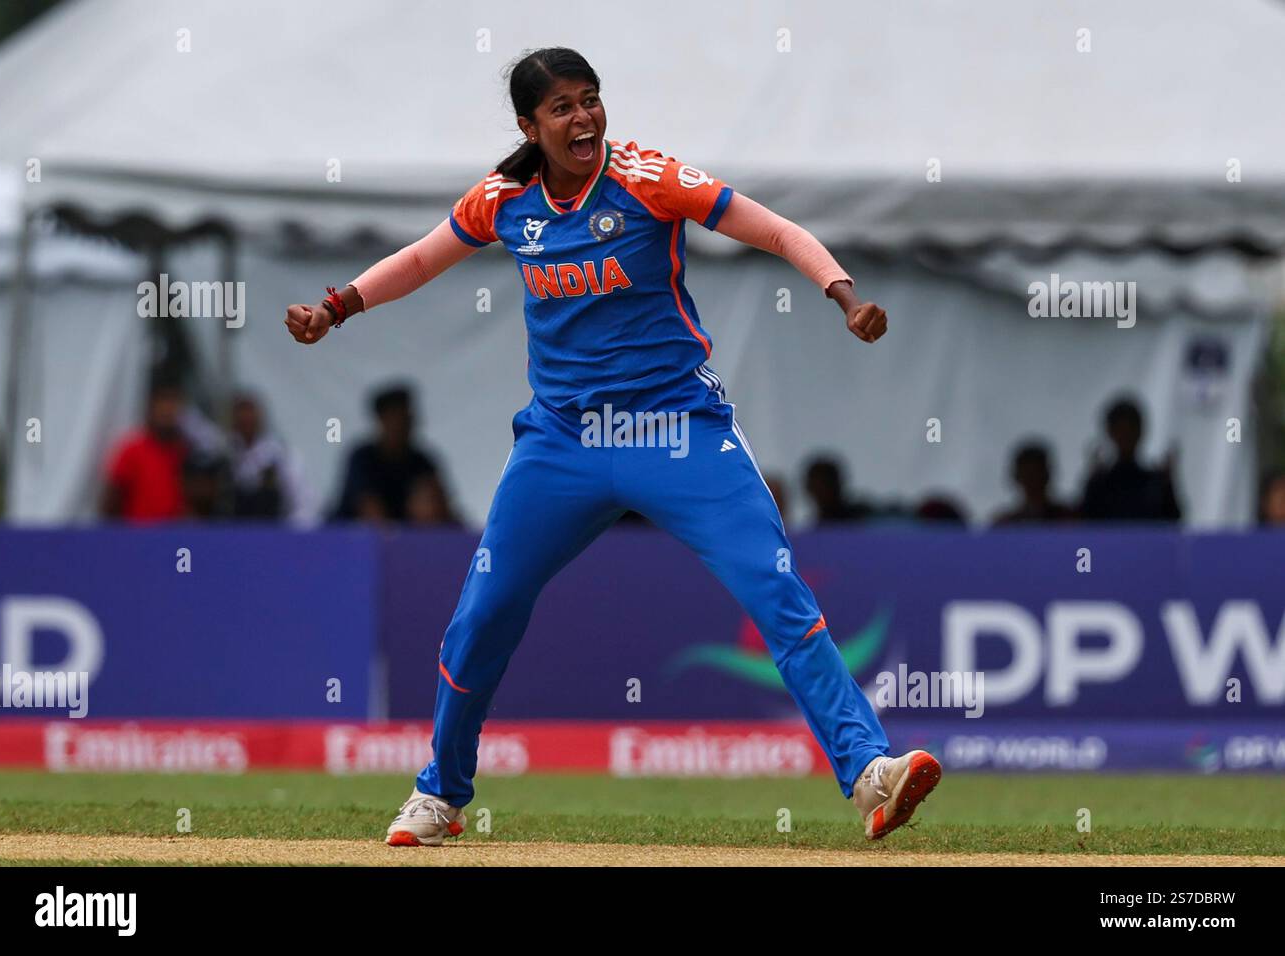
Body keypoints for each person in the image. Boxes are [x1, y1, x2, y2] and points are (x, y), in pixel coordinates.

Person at [285, 48, 940, 844]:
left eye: (590, 101)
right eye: (561, 108)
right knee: (483, 612)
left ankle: (872, 772)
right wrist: (336, 307)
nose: (584, 118)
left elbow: (772, 229)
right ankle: (439, 793)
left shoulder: (646, 178)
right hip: (564, 442)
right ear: (531, 126)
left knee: (775, 592)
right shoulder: (505, 200)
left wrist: (843, 294)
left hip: (677, 430)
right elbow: (423, 259)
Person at [331, 384, 444, 523]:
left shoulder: (421, 462)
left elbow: (440, 509)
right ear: (382, 419)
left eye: (408, 419)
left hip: (406, 538)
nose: (405, 425)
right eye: (398, 418)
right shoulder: (363, 459)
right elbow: (371, 512)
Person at [101, 373, 189, 522]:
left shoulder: (185, 451)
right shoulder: (132, 450)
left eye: (173, 403)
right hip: (139, 537)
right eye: (162, 403)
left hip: (175, 539)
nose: (167, 410)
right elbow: (112, 500)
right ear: (150, 407)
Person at [1080, 397, 1182, 522]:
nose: (1126, 436)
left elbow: (1173, 523)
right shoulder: (1099, 483)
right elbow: (1086, 524)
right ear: (1110, 432)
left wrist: (1168, 483)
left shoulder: (1157, 483)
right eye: (1121, 430)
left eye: (1131, 429)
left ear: (1140, 431)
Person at [228, 393, 313, 523]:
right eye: (241, 419)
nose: (245, 421)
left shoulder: (279, 454)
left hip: (274, 528)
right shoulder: (228, 452)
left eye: (250, 417)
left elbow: (302, 500)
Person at [993, 441, 1075, 525]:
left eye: (1037, 474)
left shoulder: (1069, 520)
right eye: (1028, 475)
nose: (1033, 481)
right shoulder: (1005, 524)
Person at [803, 455, 874, 524]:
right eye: (816, 487)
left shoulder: (862, 517)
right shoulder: (814, 528)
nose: (820, 493)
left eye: (823, 485)